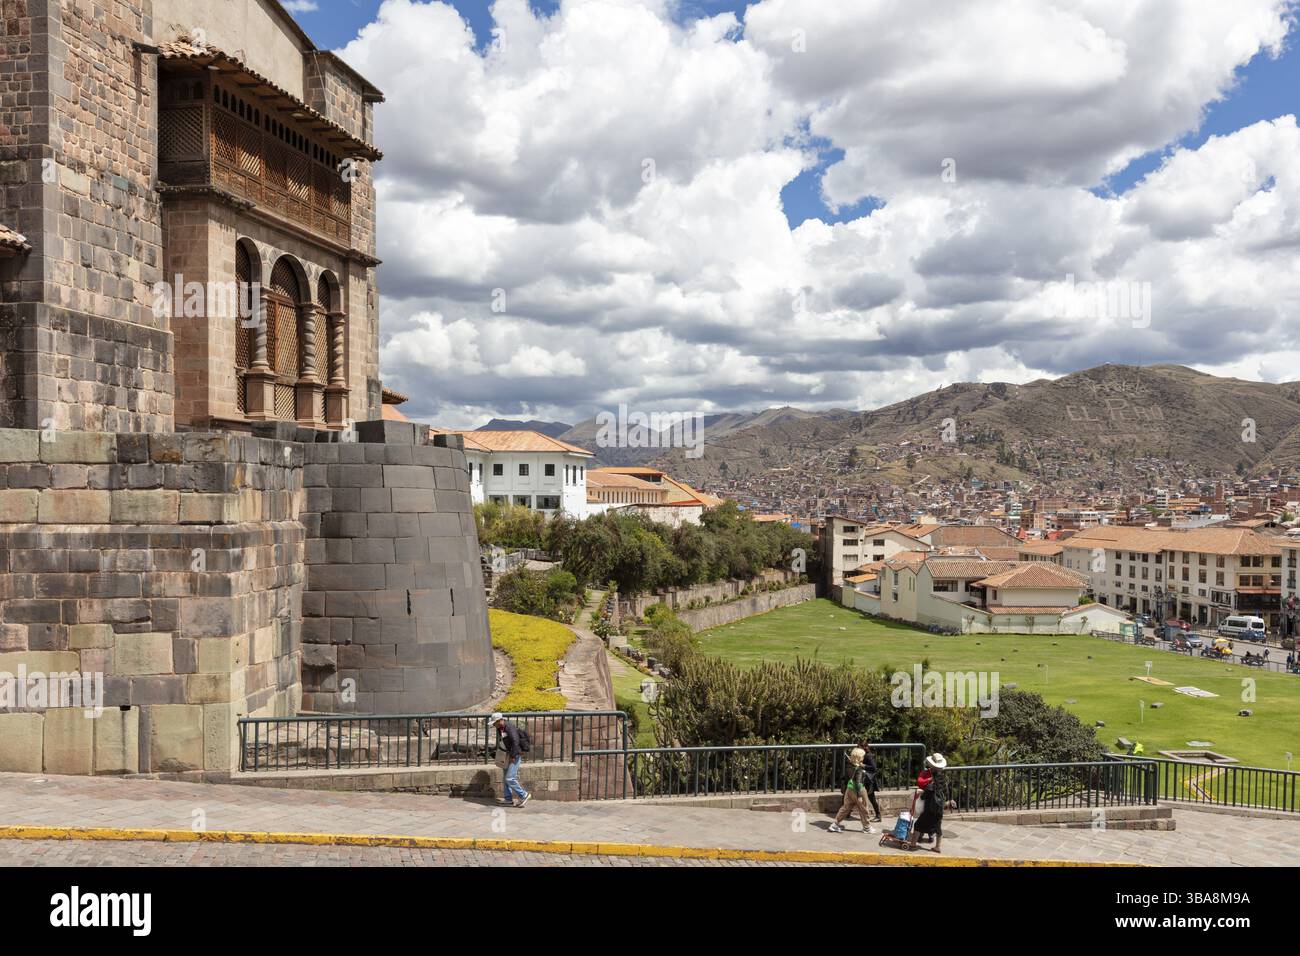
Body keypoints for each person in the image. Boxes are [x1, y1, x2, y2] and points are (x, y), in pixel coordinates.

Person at [907, 753, 955, 853]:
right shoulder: (944, 781)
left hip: (930, 809)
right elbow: (946, 793)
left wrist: (922, 793)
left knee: (918, 825)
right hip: (940, 808)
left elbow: (925, 796)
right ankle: (937, 847)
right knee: (938, 828)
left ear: (932, 767)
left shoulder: (931, 784)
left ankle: (913, 844)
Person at [828, 747, 877, 833]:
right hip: (859, 790)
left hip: (849, 789)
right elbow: (858, 783)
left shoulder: (849, 765)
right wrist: (859, 796)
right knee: (864, 809)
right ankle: (867, 827)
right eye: (862, 756)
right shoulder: (859, 769)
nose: (863, 758)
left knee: (845, 808)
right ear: (859, 757)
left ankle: (834, 824)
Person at [489, 712, 531, 808]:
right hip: (507, 754)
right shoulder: (501, 728)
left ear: (499, 721)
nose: (494, 725)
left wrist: (512, 756)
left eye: (494, 723)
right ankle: (508, 799)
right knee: (505, 778)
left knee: (510, 778)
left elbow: (515, 742)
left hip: (514, 755)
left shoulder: (509, 727)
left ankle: (524, 795)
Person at [854, 740, 884, 822]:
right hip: (865, 779)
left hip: (868, 780)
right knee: (865, 797)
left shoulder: (868, 756)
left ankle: (877, 815)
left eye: (859, 747)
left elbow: (874, 768)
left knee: (871, 798)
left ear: (863, 747)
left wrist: (863, 765)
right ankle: (876, 815)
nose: (857, 749)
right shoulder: (862, 755)